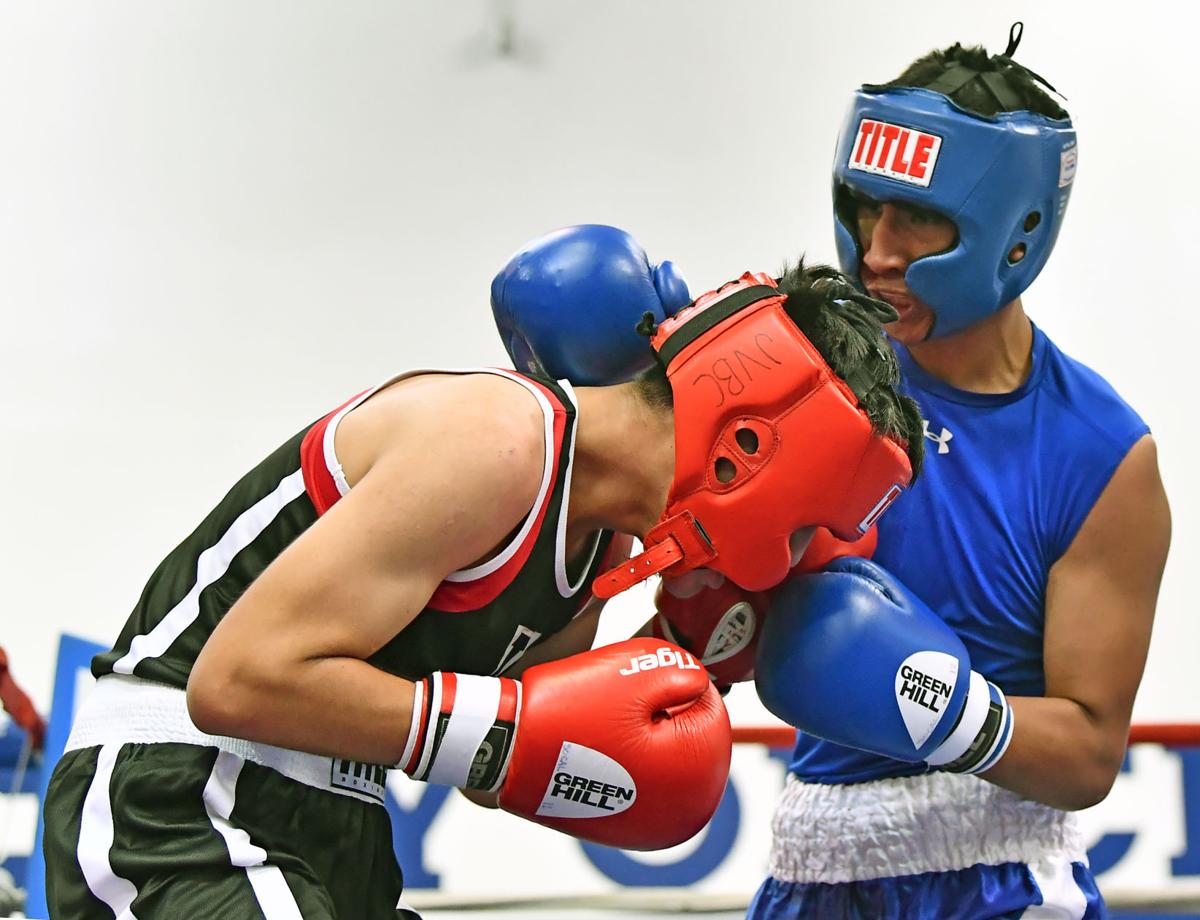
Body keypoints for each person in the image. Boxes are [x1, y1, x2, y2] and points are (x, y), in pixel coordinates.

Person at [42, 227, 919, 920]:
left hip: (336, 815)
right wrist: (504, 728)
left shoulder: (599, 542)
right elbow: (236, 683)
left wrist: (676, 666)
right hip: (180, 793)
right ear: (749, 447)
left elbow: (504, 755)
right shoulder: (498, 440)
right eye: (803, 523)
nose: (789, 555)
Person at [743, 27, 1173, 918]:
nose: (877, 249)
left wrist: (947, 712)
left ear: (1014, 232)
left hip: (1001, 885)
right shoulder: (798, 386)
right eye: (865, 207)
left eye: (917, 216)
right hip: (810, 875)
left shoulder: (1099, 455)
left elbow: (1091, 752)